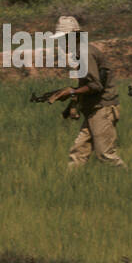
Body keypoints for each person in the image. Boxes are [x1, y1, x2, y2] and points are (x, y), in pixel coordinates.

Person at [47, 15, 124, 168]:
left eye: (63, 38)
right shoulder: (80, 52)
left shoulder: (84, 53)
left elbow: (96, 85)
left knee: (106, 155)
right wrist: (72, 104)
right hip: (94, 109)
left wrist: (71, 92)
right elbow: (86, 85)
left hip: (103, 109)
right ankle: (68, 186)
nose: (60, 43)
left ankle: (128, 179)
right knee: (78, 152)